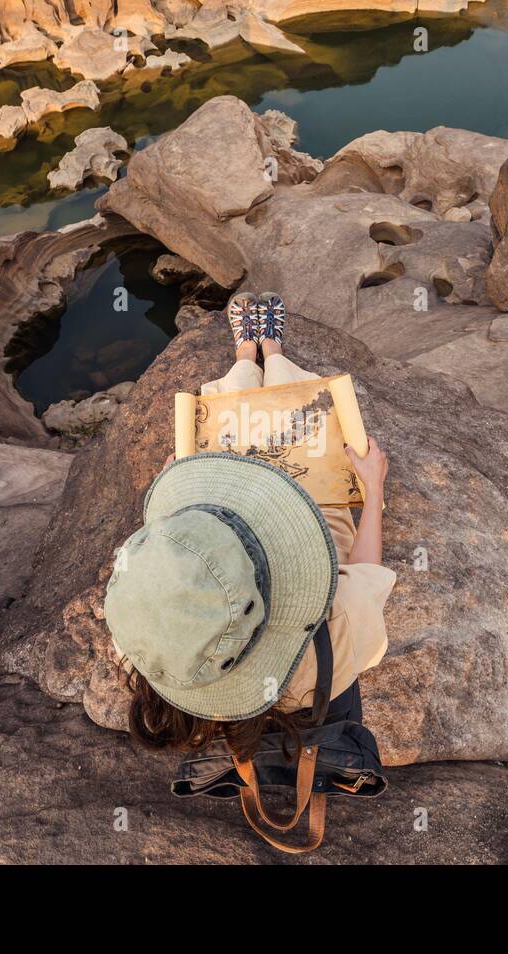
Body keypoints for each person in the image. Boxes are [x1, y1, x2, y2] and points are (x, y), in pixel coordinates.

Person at [104, 292, 395, 763]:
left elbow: (170, 573)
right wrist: (374, 489)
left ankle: (247, 354)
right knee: (303, 446)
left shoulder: (143, 640)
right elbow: (367, 573)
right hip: (312, 516)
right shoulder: (329, 638)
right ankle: (273, 355)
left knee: (226, 434)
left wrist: (174, 508)